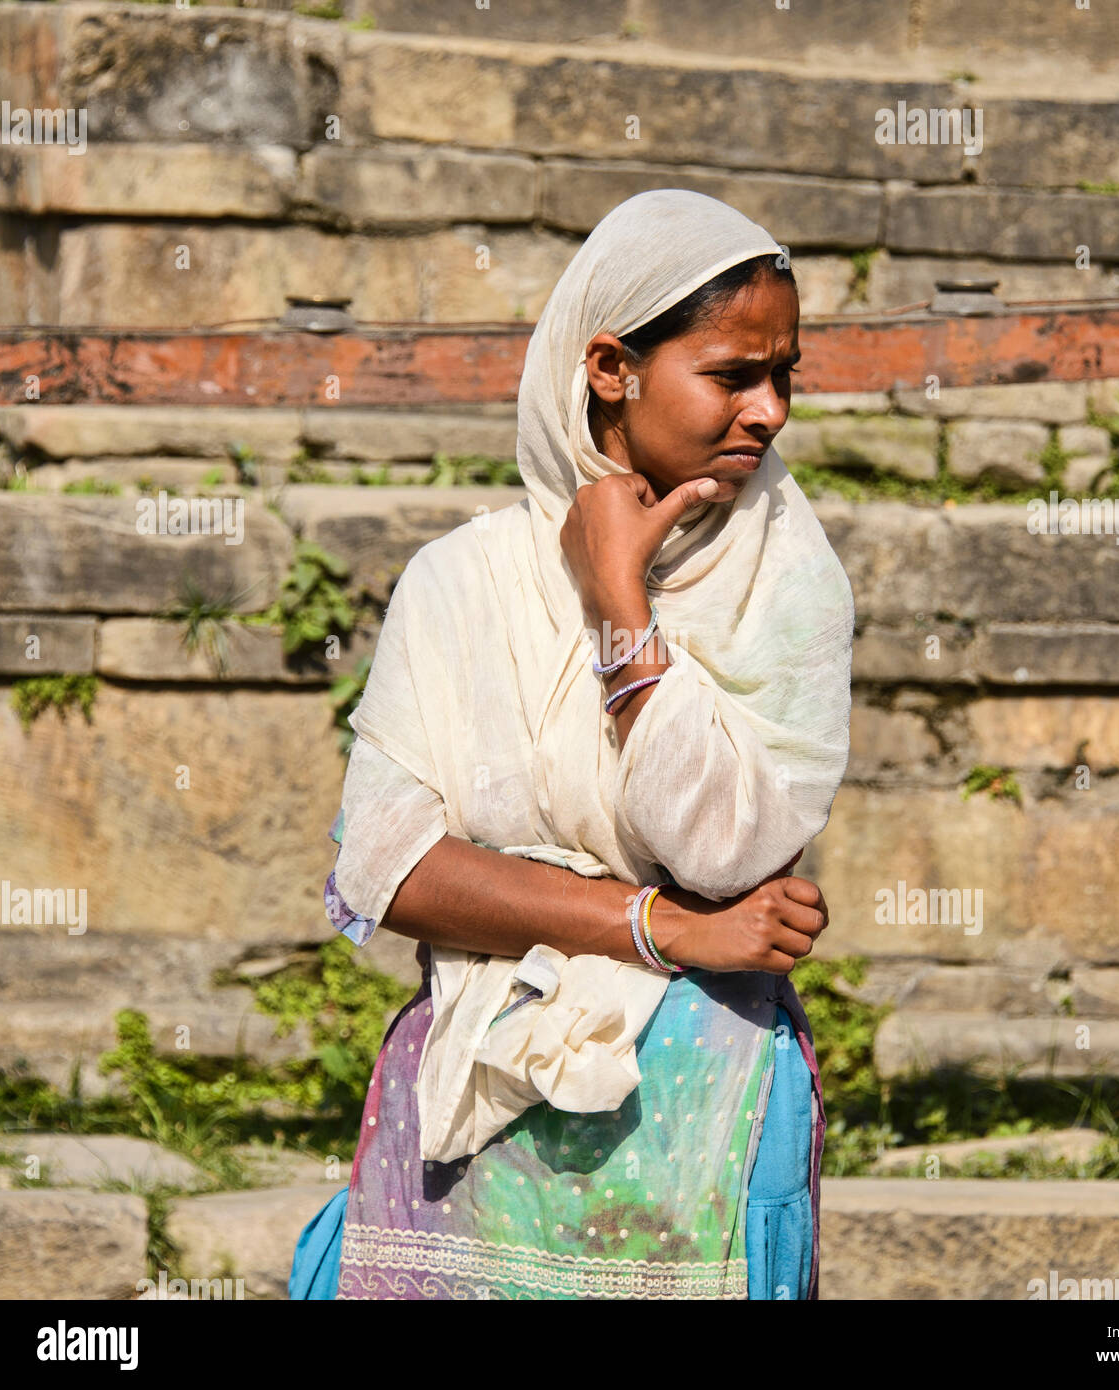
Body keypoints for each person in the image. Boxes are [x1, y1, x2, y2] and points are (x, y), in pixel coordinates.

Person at [289, 188, 854, 1300]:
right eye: (733, 374)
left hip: (699, 1105)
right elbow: (389, 866)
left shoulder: (787, 581)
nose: (770, 410)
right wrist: (666, 928)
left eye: (785, 374)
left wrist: (617, 604)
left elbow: (729, 849)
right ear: (611, 368)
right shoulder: (464, 580)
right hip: (475, 1098)